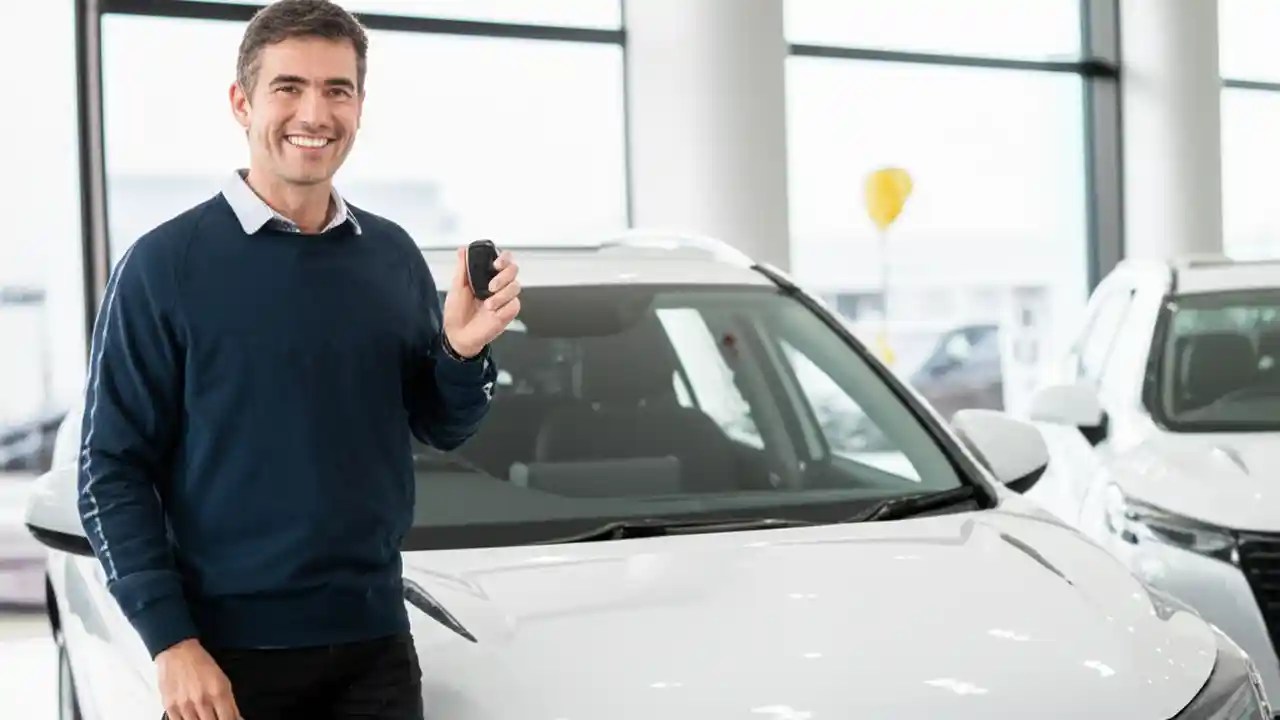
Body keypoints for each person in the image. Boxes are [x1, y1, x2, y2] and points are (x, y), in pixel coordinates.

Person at [76, 1, 521, 718]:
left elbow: (442, 425)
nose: (314, 112)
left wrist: (461, 353)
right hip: (223, 659)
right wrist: (171, 643)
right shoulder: (163, 266)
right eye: (289, 87)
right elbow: (109, 472)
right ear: (242, 101)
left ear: (359, 106)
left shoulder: (392, 256)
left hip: (376, 644)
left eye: (337, 90)